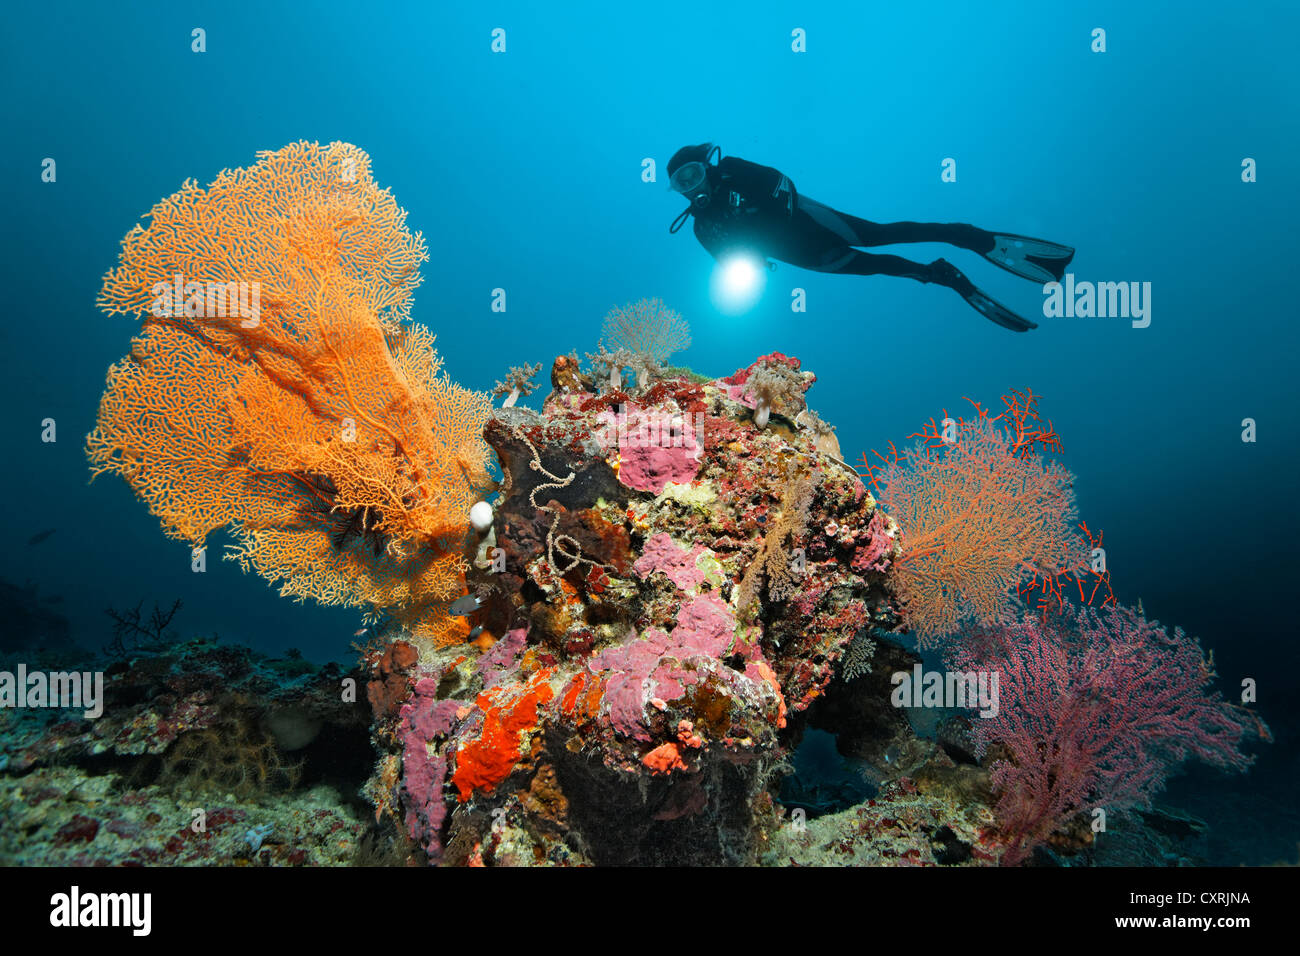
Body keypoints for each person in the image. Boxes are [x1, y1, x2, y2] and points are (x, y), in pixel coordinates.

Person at [666, 143, 1073, 332]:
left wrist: (778, 206)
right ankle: (940, 275)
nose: (690, 185)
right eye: (681, 182)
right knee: (876, 267)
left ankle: (968, 237)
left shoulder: (734, 168)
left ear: (706, 166)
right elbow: (729, 262)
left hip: (813, 222)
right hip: (807, 256)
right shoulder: (702, 228)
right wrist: (752, 267)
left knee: (881, 236)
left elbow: (780, 180)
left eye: (693, 173)